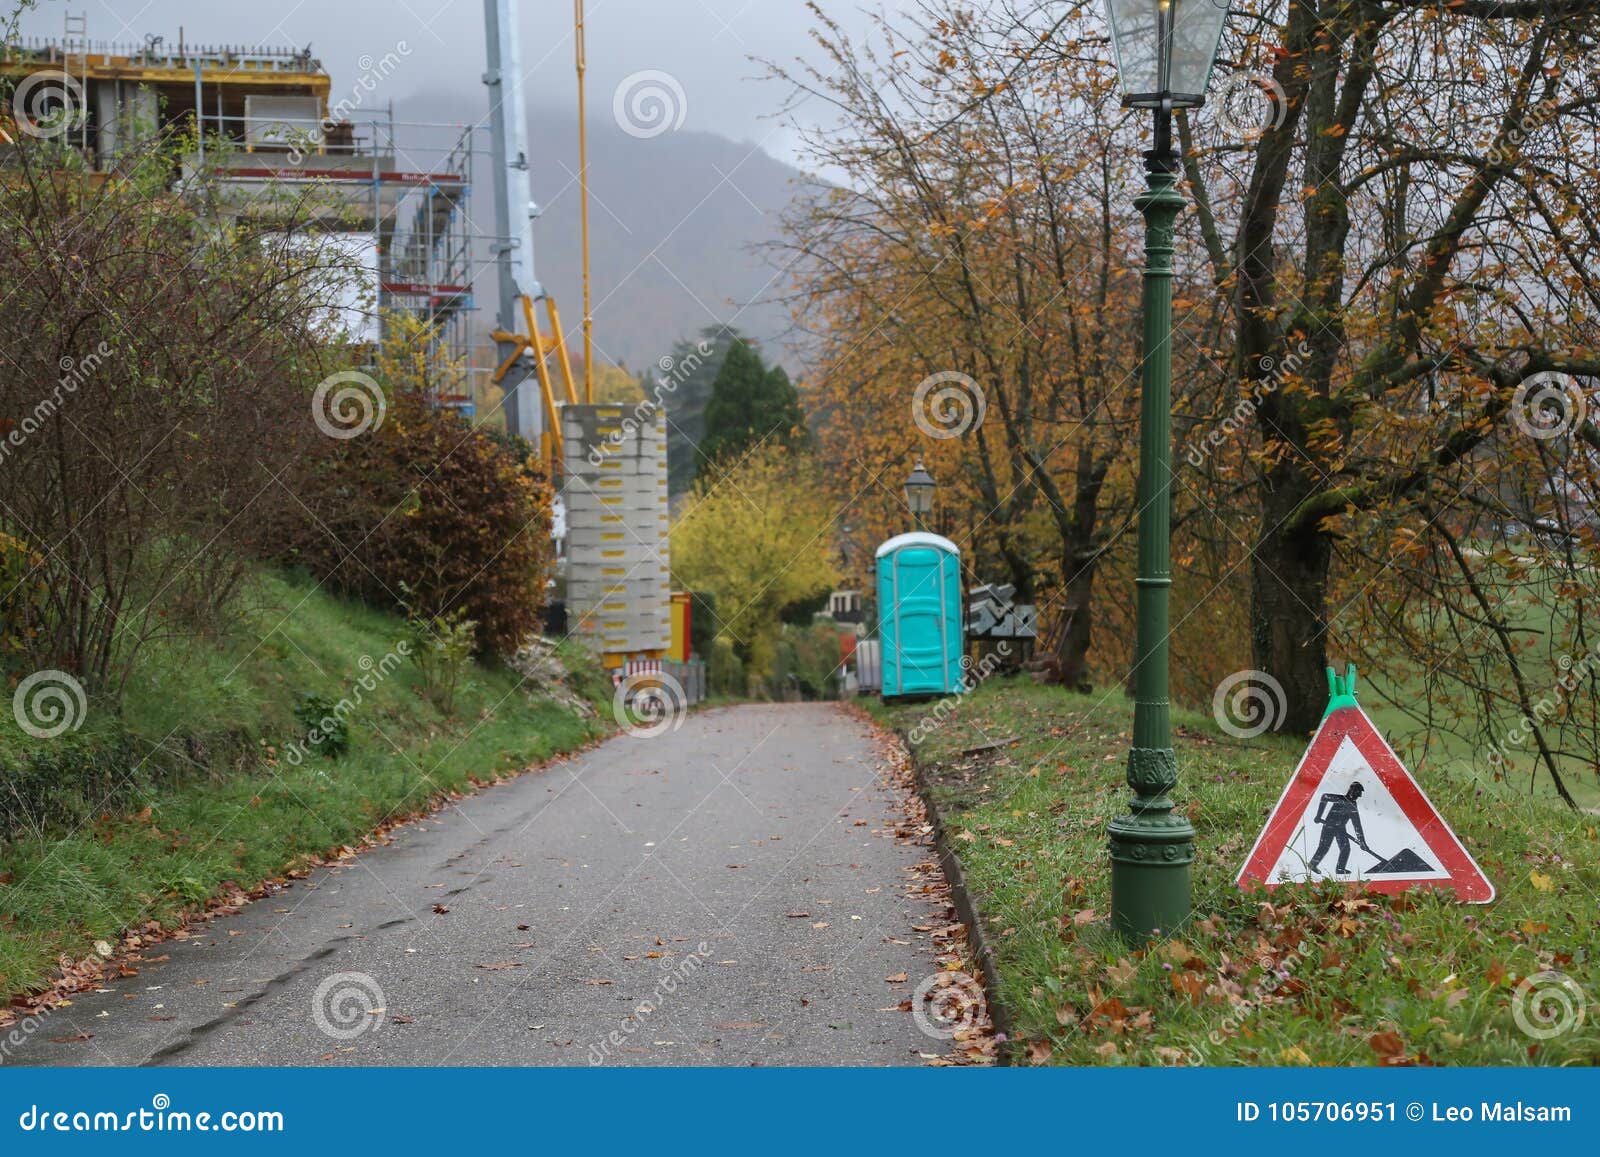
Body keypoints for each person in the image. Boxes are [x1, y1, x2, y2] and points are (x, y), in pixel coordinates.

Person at [1310, 782, 1367, 875]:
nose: (1359, 796)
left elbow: (1357, 825)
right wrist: (1318, 815)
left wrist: (1362, 842)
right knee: (1324, 847)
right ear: (1352, 790)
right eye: (1358, 793)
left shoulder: (1353, 806)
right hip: (1329, 826)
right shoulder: (1340, 799)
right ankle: (1312, 864)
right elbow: (1324, 797)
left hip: (1341, 829)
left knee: (1345, 848)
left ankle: (1340, 869)